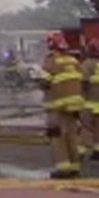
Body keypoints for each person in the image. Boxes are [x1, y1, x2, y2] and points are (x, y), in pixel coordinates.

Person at [40, 32, 84, 179]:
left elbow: (44, 82)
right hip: (74, 106)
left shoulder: (51, 61)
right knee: (71, 136)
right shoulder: (74, 61)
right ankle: (75, 167)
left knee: (57, 137)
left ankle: (63, 169)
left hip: (56, 107)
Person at [78, 39, 99, 161]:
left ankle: (80, 151)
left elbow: (84, 82)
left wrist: (81, 96)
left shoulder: (87, 64)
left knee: (85, 126)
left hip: (89, 102)